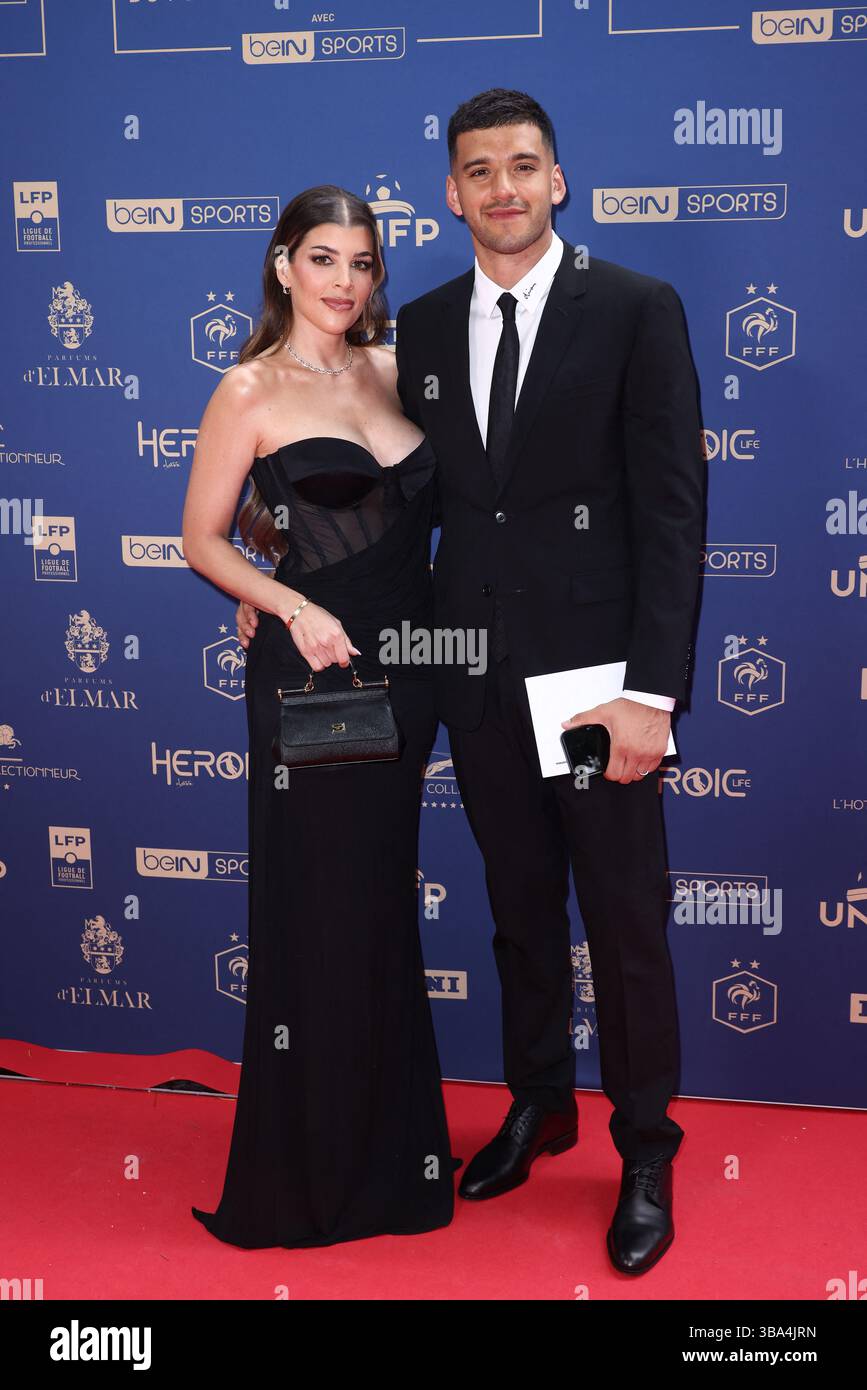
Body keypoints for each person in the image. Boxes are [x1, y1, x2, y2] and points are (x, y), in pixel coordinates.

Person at [238, 89, 705, 1276]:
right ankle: (539, 1104)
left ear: (560, 180)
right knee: (516, 912)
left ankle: (645, 1149)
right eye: (478, 170)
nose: (502, 186)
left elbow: (672, 516)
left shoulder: (638, 312)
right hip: (470, 680)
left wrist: (654, 694)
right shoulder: (428, 332)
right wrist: (272, 576)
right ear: (451, 194)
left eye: (523, 166)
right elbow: (323, 455)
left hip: (600, 689)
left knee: (628, 923)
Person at [183, 184, 455, 1249]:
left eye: (363, 262)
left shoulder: (399, 371)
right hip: (314, 674)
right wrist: (284, 601)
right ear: (283, 263)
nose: (345, 281)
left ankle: (395, 1157)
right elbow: (203, 539)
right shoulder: (247, 389)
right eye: (325, 259)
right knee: (319, 911)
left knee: (382, 905)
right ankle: (311, 1168)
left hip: (417, 670)